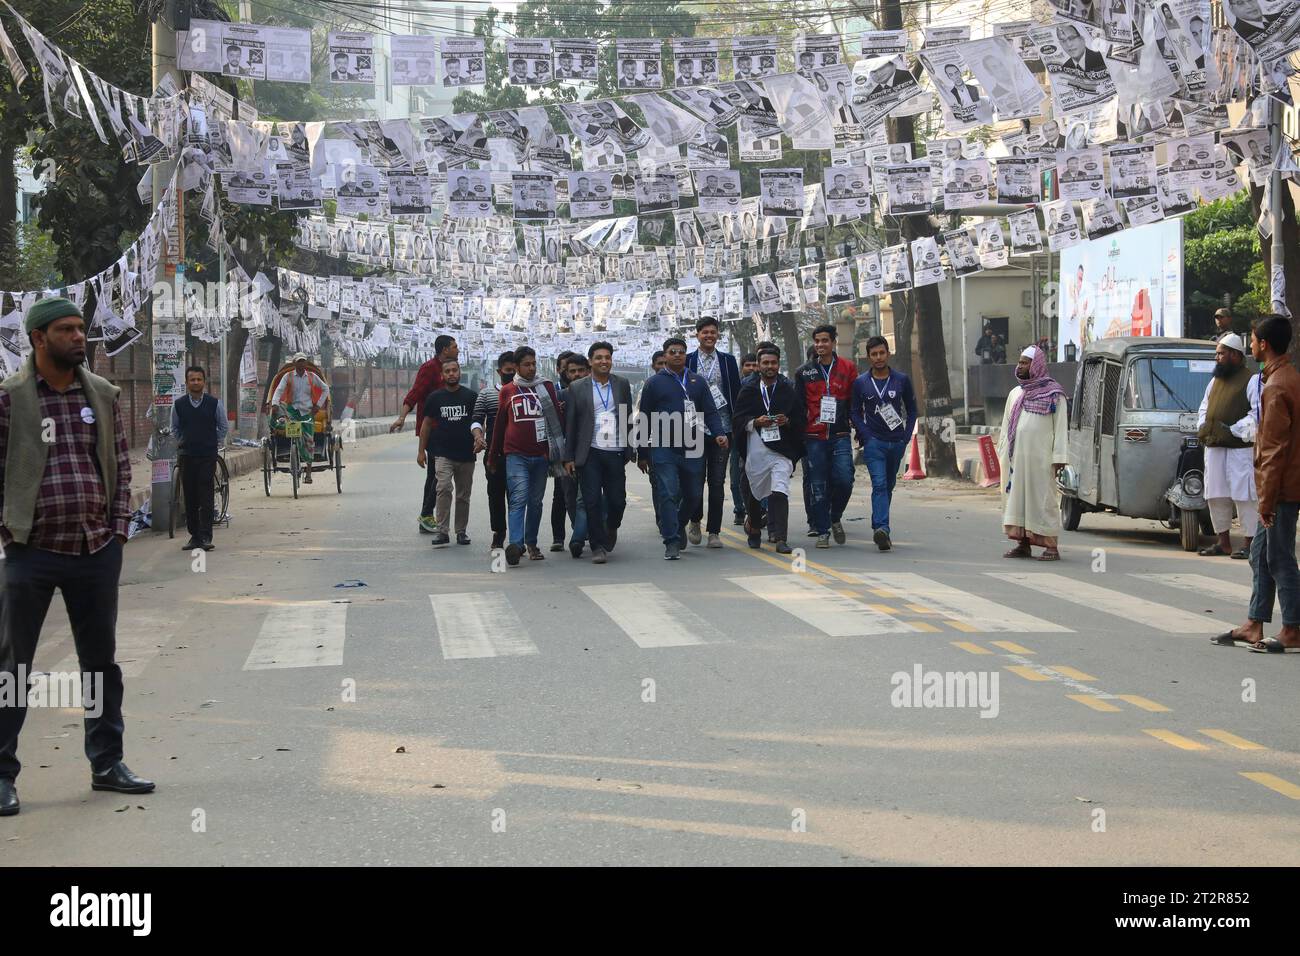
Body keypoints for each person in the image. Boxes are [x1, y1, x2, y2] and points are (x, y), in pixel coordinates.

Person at [0, 298, 152, 818]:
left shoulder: (103, 395)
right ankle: (2, 775)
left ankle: (107, 763)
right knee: (13, 666)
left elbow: (119, 466)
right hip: (31, 553)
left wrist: (118, 530)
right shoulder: (11, 400)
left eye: (81, 328)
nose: (79, 337)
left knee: (100, 665)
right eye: (66, 330)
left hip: (95, 550)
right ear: (39, 339)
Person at [1217, 316, 1300, 652]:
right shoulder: (1283, 378)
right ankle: (1255, 621)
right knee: (1259, 553)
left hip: (1281, 487)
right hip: (1282, 483)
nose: (1250, 344)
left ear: (1263, 344)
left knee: (1279, 556)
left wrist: (1265, 499)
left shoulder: (1279, 386)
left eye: (1252, 339)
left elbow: (1275, 449)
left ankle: (1293, 628)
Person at [637, 337, 725, 560]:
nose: (677, 355)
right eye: (672, 351)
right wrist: (642, 452)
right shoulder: (654, 383)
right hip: (663, 444)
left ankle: (679, 525)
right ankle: (671, 541)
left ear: (686, 355)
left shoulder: (698, 381)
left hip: (693, 444)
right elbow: (644, 417)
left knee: (694, 494)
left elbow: (711, 411)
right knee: (668, 493)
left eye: (681, 352)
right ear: (665, 356)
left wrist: (719, 433)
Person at [487, 347, 565, 567]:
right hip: (515, 455)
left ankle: (532, 543)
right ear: (518, 367)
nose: (531, 368)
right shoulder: (508, 391)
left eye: (533, 364)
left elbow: (557, 421)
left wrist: (563, 454)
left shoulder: (546, 387)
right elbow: (500, 426)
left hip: (541, 456)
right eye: (526, 364)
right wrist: (493, 457)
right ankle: (516, 544)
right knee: (519, 498)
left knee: (536, 502)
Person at [564, 342, 634, 564]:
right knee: (592, 500)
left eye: (607, 357)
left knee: (617, 500)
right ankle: (597, 546)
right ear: (590, 361)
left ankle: (611, 526)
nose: (604, 361)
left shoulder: (622, 384)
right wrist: (568, 457)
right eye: (599, 358)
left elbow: (628, 417)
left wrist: (633, 447)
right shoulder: (578, 388)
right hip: (590, 452)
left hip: (615, 451)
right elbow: (571, 424)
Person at [999, 346, 1069, 561]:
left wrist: (1059, 459)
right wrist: (1003, 453)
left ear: (1036, 365)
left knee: (1043, 500)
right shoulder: (1015, 393)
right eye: (1019, 362)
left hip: (1042, 460)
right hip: (1017, 460)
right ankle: (1023, 543)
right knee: (1018, 500)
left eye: (1024, 362)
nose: (1019, 366)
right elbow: (1006, 427)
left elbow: (1060, 429)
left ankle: (1051, 546)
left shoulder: (1054, 395)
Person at [851, 337, 919, 551]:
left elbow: (912, 409)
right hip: (874, 444)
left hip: (896, 442)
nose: (878, 357)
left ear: (888, 353)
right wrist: (866, 435)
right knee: (879, 484)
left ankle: (878, 521)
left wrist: (906, 436)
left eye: (882, 353)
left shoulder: (901, 379)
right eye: (874, 354)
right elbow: (853, 410)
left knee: (888, 485)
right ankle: (882, 528)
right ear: (868, 357)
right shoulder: (861, 382)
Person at [734, 345, 804, 553]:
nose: (770, 366)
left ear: (778, 364)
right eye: (765, 363)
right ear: (759, 365)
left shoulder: (787, 388)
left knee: (780, 489)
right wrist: (756, 421)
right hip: (756, 448)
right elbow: (738, 419)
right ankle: (754, 527)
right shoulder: (749, 389)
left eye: (773, 362)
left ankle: (781, 538)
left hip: (782, 450)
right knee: (754, 490)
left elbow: (800, 418)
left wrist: (787, 421)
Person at [1196, 334, 1259, 560]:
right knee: (1215, 494)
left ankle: (1250, 543)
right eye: (1217, 354)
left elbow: (1257, 414)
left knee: (1245, 496)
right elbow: (1204, 407)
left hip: (1240, 450)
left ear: (1235, 355)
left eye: (1221, 353)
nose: (1217, 358)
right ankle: (1223, 543)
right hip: (1214, 448)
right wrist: (1204, 424)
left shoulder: (1252, 380)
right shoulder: (1215, 381)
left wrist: (1233, 430)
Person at [795, 325, 857, 549]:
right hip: (813, 436)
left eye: (825, 341)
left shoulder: (848, 368)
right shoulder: (804, 372)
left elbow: (853, 402)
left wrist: (857, 427)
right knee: (818, 485)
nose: (821, 345)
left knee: (845, 479)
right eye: (817, 341)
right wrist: (799, 435)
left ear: (833, 342)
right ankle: (822, 531)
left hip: (840, 433)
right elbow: (799, 406)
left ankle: (835, 516)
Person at [390, 334, 457, 532]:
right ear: (444, 350)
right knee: (440, 472)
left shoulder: (451, 370)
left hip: (447, 429)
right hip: (432, 429)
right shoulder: (429, 369)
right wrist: (402, 417)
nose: (458, 350)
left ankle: (426, 516)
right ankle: (427, 513)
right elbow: (414, 394)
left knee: (434, 473)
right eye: (454, 347)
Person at [686, 317, 742, 547]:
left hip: (723, 427)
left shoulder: (727, 361)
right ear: (697, 335)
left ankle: (714, 531)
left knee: (717, 481)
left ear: (718, 335)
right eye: (705, 332)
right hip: (695, 428)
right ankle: (695, 520)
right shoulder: (688, 360)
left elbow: (736, 393)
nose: (709, 336)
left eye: (713, 332)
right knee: (695, 479)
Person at [419, 358, 478, 548]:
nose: (451, 374)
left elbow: (478, 422)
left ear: (459, 373)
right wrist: (421, 451)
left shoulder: (470, 397)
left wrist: (479, 439)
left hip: (466, 454)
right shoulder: (435, 398)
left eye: (454, 370)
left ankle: (461, 532)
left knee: (463, 495)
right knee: (443, 489)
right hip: (442, 453)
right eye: (448, 371)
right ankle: (442, 531)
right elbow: (426, 425)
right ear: (442, 375)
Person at [170, 365, 227, 552]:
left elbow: (223, 427)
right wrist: (183, 441)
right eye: (192, 380)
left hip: (207, 455)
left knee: (205, 493)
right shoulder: (178, 405)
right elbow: (175, 429)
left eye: (199, 379)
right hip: (187, 455)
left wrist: (213, 442)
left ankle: (205, 535)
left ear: (204, 382)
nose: (195, 382)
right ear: (187, 383)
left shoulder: (214, 403)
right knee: (190, 496)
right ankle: (194, 536)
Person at [471, 351, 517, 551]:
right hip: (495, 454)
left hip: (519, 454)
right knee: (496, 495)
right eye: (508, 371)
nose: (512, 374)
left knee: (518, 496)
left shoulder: (526, 393)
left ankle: (518, 538)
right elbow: (476, 419)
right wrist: (478, 437)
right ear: (499, 371)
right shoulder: (488, 394)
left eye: (515, 371)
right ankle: (499, 532)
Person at [271, 352, 329, 485]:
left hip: (307, 413)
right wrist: (274, 404)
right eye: (299, 361)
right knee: (283, 418)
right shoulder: (288, 376)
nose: (301, 364)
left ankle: (308, 472)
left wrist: (318, 405)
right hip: (292, 411)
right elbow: (279, 391)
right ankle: (292, 449)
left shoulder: (312, 377)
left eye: (303, 361)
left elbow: (325, 389)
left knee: (309, 441)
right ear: (294, 363)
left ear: (306, 363)